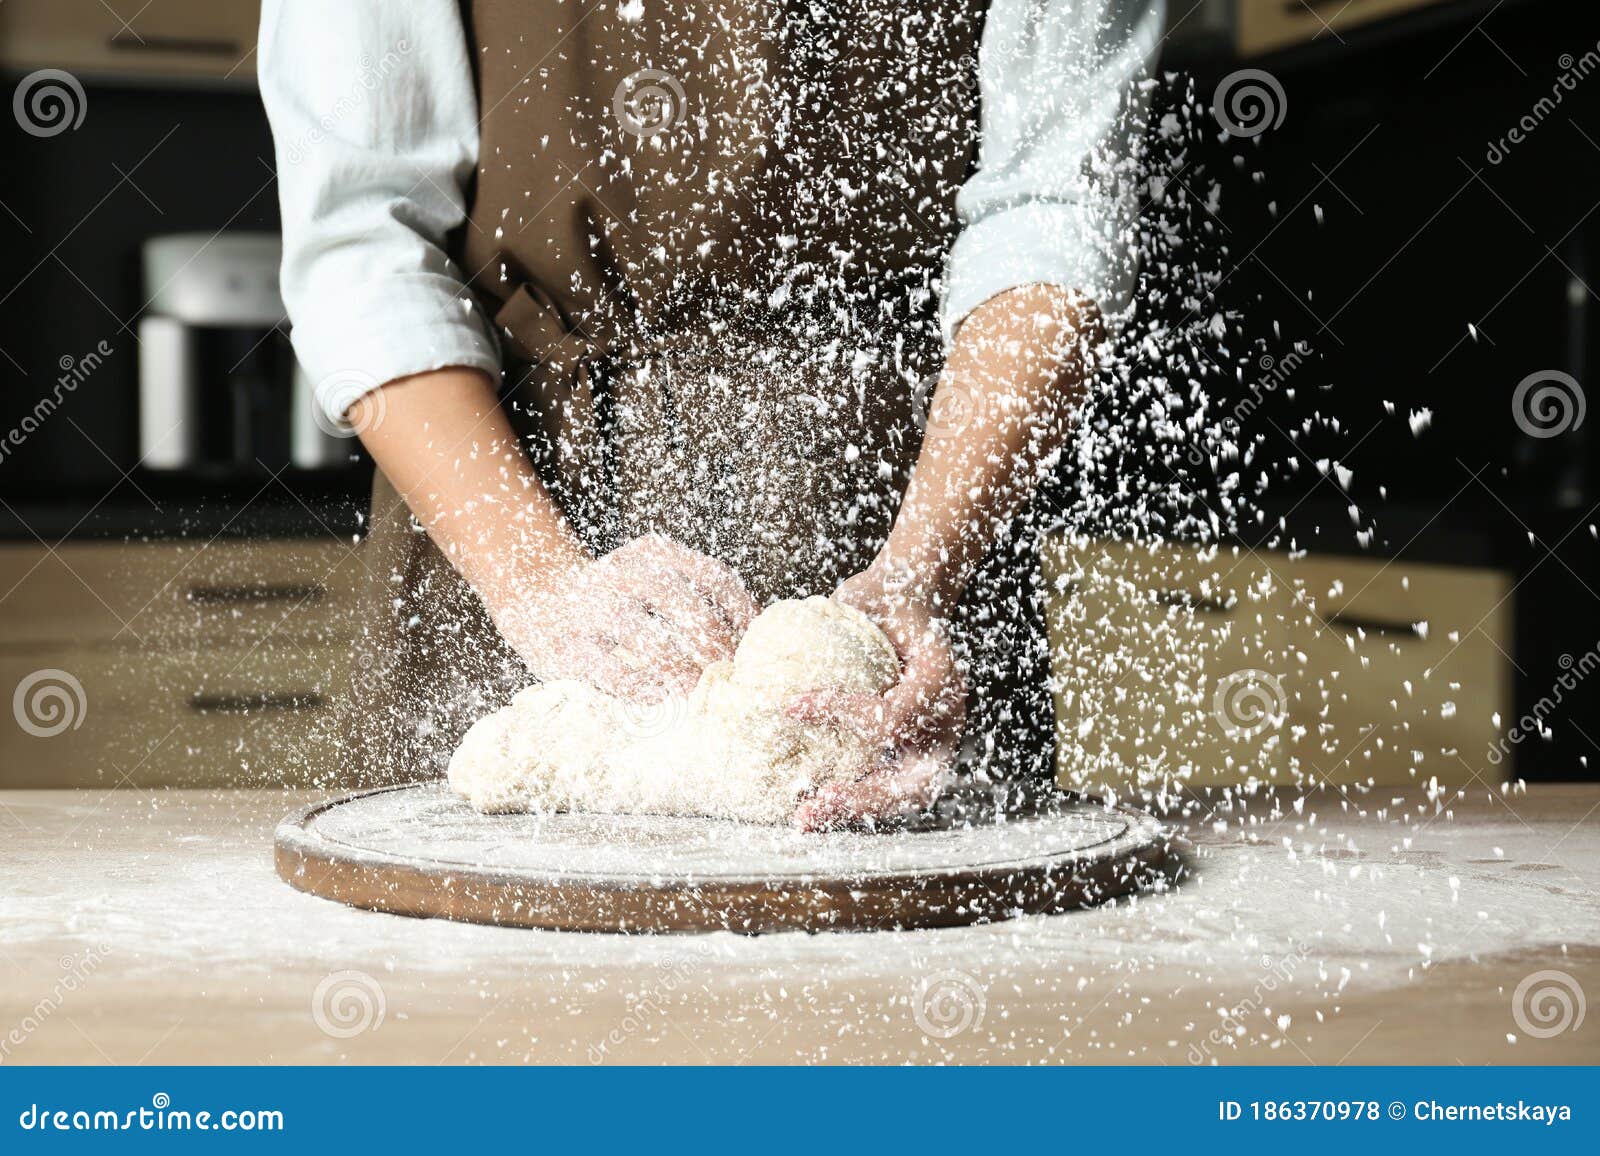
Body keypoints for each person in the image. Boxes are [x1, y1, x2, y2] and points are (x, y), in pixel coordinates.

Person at [260, 0, 1163, 828]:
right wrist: (540, 585)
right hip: (511, 499)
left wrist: (917, 574)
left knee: (912, 971)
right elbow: (365, 243)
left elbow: (1052, 209)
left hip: (915, 496)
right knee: (471, 967)